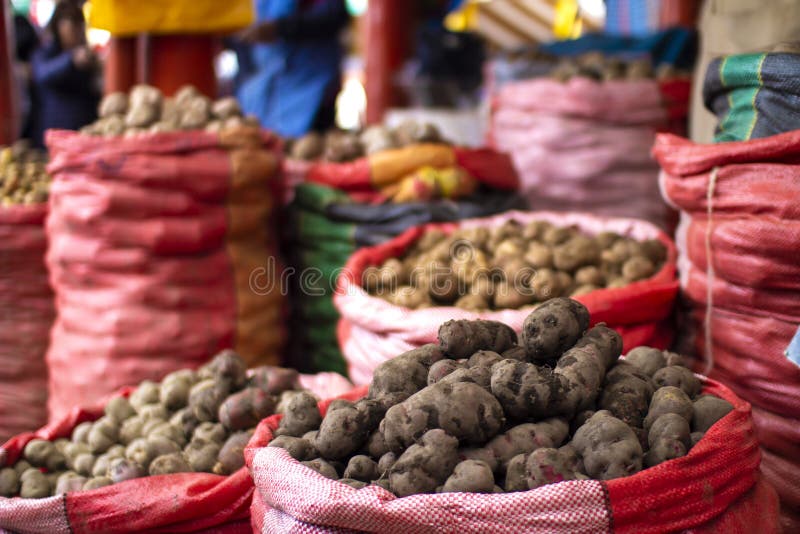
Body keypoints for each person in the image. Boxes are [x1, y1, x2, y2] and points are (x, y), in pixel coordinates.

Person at [238, 0, 350, 137]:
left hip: (312, 82)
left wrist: (279, 28)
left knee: (312, 143)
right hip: (268, 84)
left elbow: (334, 16)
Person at [29, 1, 99, 146]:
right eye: (71, 24)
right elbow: (42, 75)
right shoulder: (45, 52)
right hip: (54, 134)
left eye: (80, 25)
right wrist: (71, 61)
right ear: (58, 26)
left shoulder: (87, 55)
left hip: (84, 134)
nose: (77, 30)